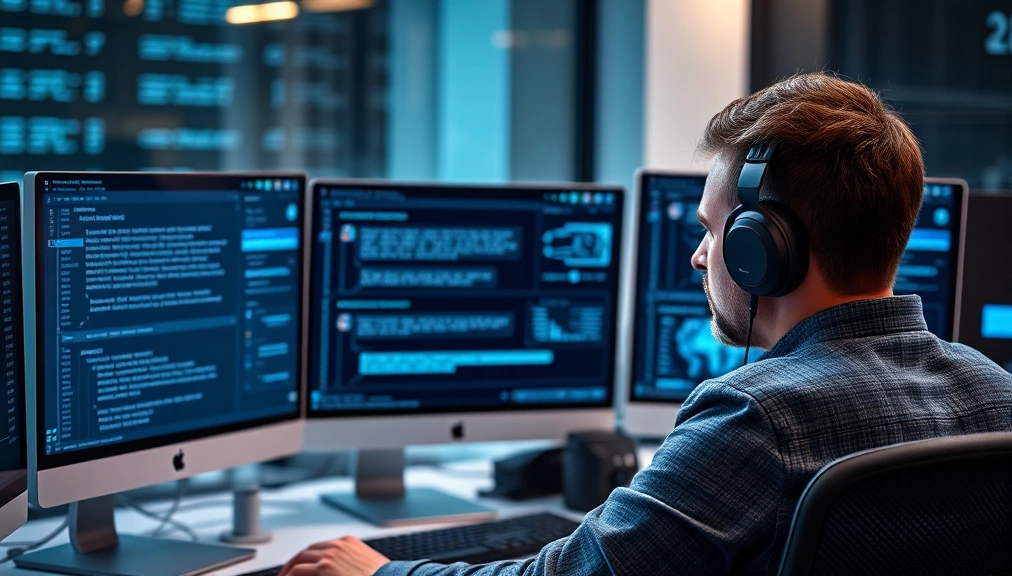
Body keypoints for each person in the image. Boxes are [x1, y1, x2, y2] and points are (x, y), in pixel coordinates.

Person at [278, 73, 1012, 576]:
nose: (699, 255)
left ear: (765, 250)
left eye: (714, 230)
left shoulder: (754, 419)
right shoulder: (996, 395)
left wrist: (382, 569)